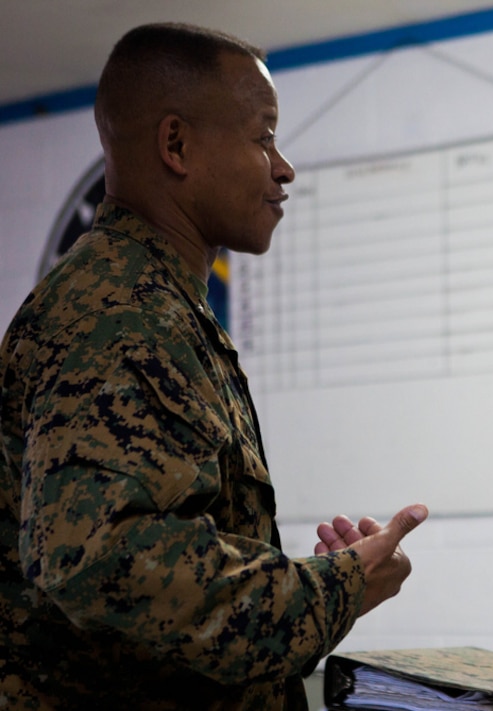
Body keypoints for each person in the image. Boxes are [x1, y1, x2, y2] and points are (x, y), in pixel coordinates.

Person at [0, 22, 428, 709]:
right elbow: (100, 562)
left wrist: (315, 580)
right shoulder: (119, 312)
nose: (283, 167)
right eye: (263, 137)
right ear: (177, 145)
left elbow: (159, 551)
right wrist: (335, 588)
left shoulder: (154, 300)